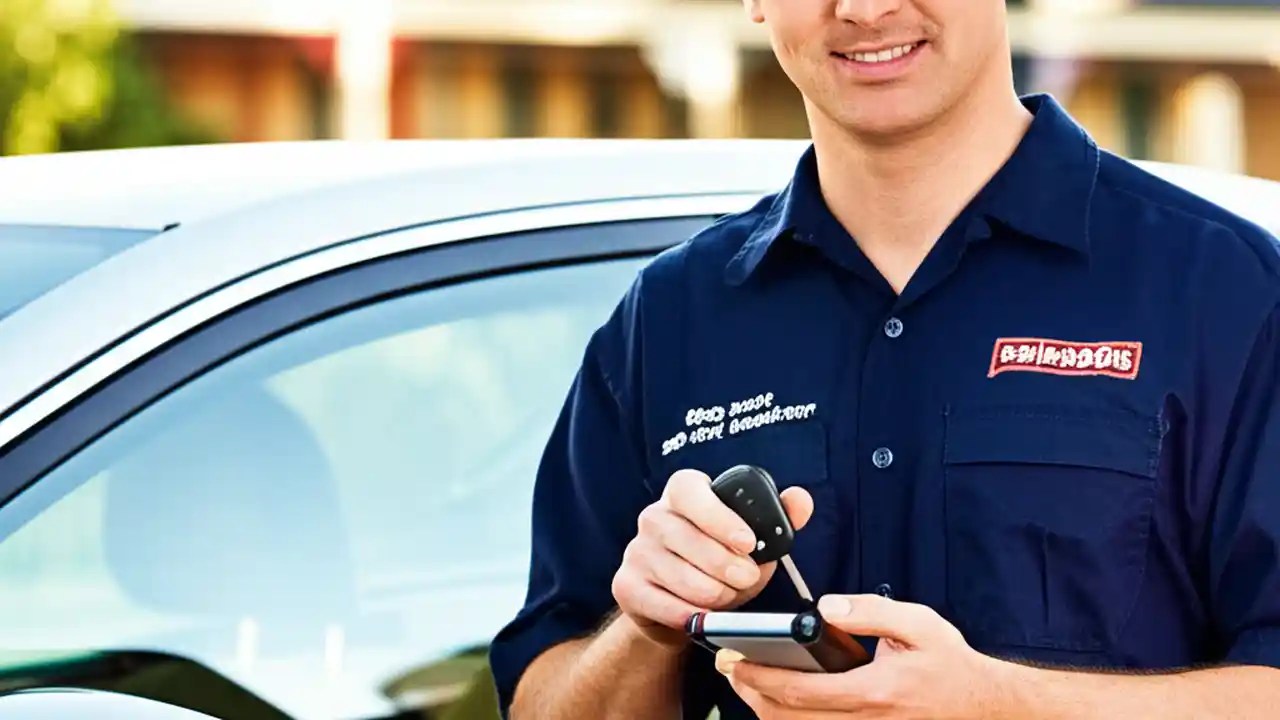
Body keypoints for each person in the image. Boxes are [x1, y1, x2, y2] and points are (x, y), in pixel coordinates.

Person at [489, 0, 1280, 717]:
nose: (866, 9)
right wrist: (649, 626)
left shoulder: (1231, 294)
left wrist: (1000, 704)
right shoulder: (668, 319)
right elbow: (541, 701)